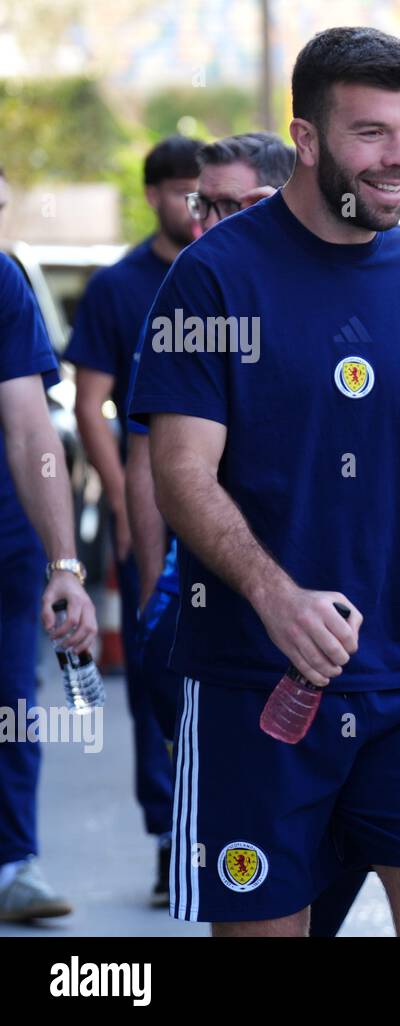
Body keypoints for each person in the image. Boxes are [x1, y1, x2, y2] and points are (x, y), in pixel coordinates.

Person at [129, 26, 400, 937]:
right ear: (306, 140)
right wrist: (274, 594)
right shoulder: (211, 279)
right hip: (251, 688)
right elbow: (180, 470)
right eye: (373, 135)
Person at [124, 129, 370, 935]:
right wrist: (147, 583)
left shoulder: (366, 283)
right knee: (263, 898)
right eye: (209, 205)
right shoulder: (193, 293)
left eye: (243, 205)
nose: (219, 221)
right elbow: (159, 464)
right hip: (233, 648)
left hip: (385, 664)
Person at [63, 135, 201, 907]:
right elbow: (92, 405)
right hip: (147, 506)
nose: (193, 205)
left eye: (201, 191)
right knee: (156, 667)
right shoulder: (120, 285)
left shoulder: (229, 269)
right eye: (180, 190)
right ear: (152, 195)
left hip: (229, 510)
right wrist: (121, 503)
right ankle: (166, 835)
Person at [0, 249, 99, 922]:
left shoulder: (1, 279)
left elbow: (32, 426)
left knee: (8, 699)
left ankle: (12, 864)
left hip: (4, 541)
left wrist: (65, 564)